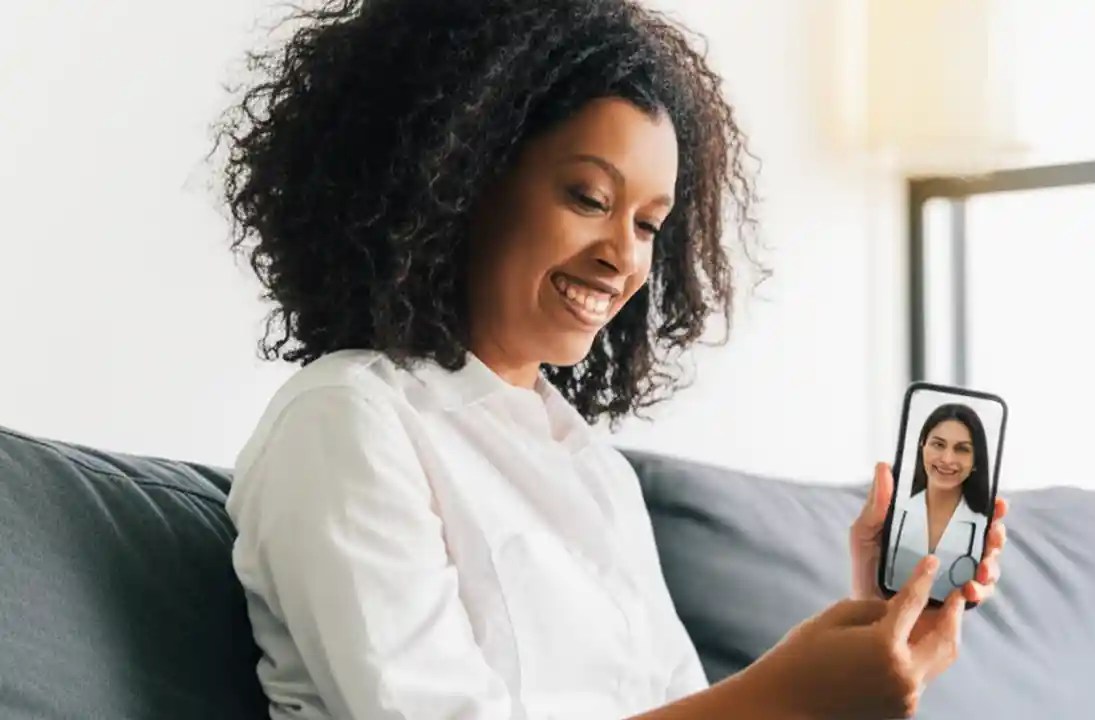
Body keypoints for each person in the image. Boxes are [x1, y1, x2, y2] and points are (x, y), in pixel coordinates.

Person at [215, 1, 1009, 718]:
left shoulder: (595, 471)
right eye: (590, 199)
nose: (622, 259)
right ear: (459, 179)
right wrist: (788, 696)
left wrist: (869, 636)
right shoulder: (349, 420)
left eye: (650, 224)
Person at [887, 403, 993, 598]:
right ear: (922, 446)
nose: (947, 458)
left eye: (962, 449)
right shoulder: (895, 515)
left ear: (976, 460)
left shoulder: (983, 526)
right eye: (938, 444)